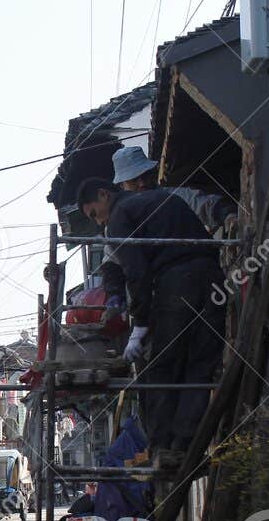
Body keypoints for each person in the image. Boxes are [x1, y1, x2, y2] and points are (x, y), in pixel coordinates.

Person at [78, 176, 224, 453]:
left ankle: (164, 449)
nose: (99, 222)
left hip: (178, 285)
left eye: (94, 213)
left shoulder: (120, 216)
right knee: (200, 367)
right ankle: (184, 446)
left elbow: (136, 272)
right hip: (214, 280)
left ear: (103, 195)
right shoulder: (166, 198)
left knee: (161, 368)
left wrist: (140, 324)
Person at [110, 145, 236, 236]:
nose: (142, 183)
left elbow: (205, 204)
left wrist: (226, 214)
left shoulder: (172, 197)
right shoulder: (121, 219)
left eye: (145, 176)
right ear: (122, 186)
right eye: (134, 180)